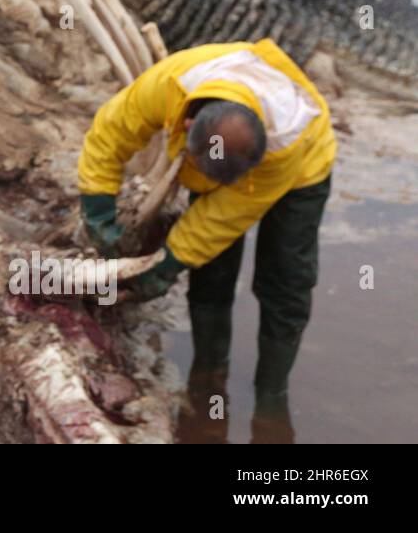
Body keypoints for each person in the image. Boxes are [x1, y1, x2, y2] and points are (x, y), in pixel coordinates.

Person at [77, 39, 336, 444]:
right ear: (186, 126)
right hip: (224, 157)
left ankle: (271, 397)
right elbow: (111, 133)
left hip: (303, 169)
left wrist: (169, 261)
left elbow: (224, 217)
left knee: (286, 280)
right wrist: (97, 206)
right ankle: (209, 376)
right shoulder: (168, 85)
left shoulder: (285, 140)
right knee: (212, 272)